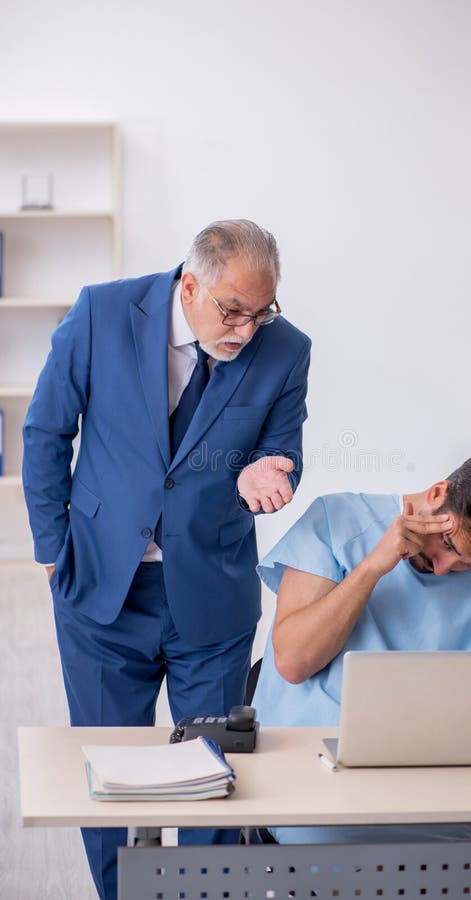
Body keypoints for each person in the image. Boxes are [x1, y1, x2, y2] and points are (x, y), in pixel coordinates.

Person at [22, 219, 311, 899]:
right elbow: (45, 431)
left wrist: (270, 468)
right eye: (232, 311)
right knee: (109, 773)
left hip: (211, 593)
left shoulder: (287, 349)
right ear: (189, 286)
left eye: (261, 312)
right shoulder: (103, 313)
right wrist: (52, 549)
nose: (246, 329)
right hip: (101, 587)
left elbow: (282, 446)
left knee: (214, 776)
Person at [252, 448, 471, 844]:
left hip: (450, 799)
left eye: (469, 565)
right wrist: (374, 566)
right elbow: (293, 662)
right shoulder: (336, 521)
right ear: (437, 493)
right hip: (316, 787)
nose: (443, 568)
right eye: (447, 542)